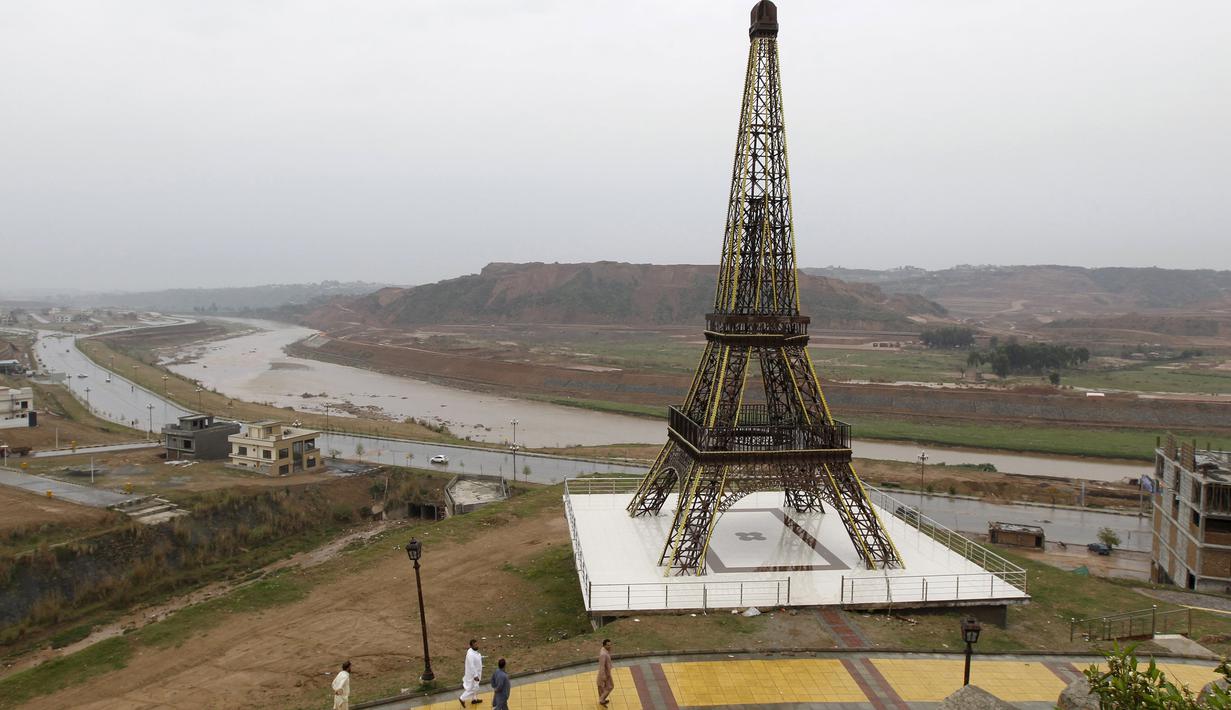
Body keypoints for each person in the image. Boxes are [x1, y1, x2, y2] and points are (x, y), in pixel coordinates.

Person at [459, 639, 484, 707]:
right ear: (471, 646)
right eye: (475, 645)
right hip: (473, 675)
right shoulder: (470, 654)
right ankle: (462, 698)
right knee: (473, 688)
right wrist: (475, 676)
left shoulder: (474, 652)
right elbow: (472, 666)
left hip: (477, 673)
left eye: (477, 644)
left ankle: (474, 699)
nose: (476, 646)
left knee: (475, 686)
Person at [596, 639, 614, 706]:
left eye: (610, 645)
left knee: (601, 687)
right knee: (610, 686)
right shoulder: (603, 654)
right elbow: (602, 666)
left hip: (604, 673)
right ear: (604, 645)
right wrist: (604, 676)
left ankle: (602, 701)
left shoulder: (604, 650)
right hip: (605, 674)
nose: (609, 646)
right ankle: (602, 699)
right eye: (608, 645)